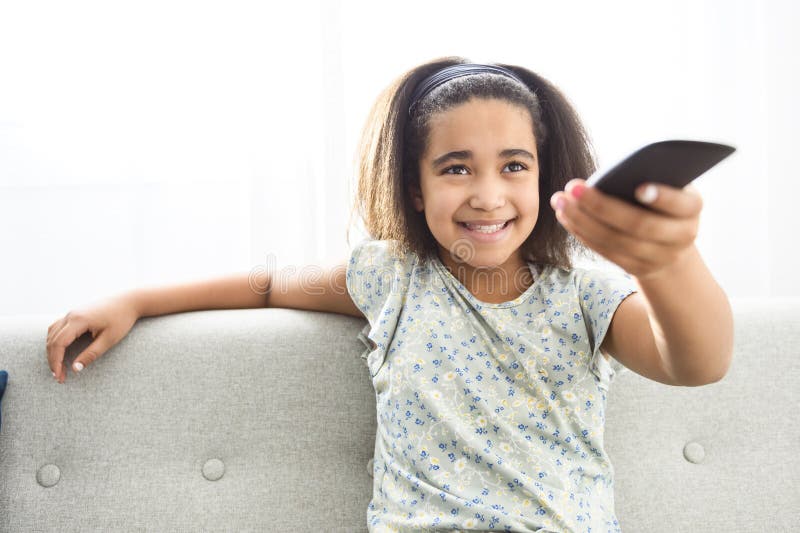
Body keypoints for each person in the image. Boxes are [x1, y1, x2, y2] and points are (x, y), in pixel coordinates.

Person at [45, 56, 734, 532]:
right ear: (416, 189)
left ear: (543, 177)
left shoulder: (585, 296)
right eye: (456, 167)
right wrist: (132, 299)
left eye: (513, 166)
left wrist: (670, 259)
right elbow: (264, 284)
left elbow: (697, 360)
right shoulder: (391, 277)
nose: (487, 194)